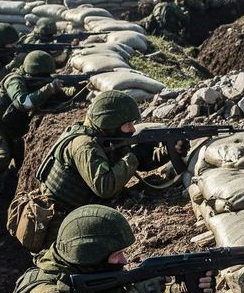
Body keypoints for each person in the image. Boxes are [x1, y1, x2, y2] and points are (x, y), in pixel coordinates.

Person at [35, 90, 177, 246]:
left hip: (75, 215)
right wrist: (134, 157)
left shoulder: (102, 137)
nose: (133, 129)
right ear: (110, 123)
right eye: (128, 124)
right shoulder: (84, 146)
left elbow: (134, 163)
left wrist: (167, 152)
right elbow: (105, 186)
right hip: (59, 228)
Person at [6, 204, 216, 293]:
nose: (125, 261)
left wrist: (180, 290)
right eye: (117, 255)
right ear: (91, 255)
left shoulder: (86, 271)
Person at [0, 51, 80, 211]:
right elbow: (23, 103)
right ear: (33, 72)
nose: (47, 78)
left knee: (23, 157)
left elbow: (61, 96)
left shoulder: (36, 81)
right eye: (43, 75)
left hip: (13, 128)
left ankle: (8, 192)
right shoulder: (14, 80)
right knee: (1, 157)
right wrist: (48, 89)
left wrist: (79, 88)